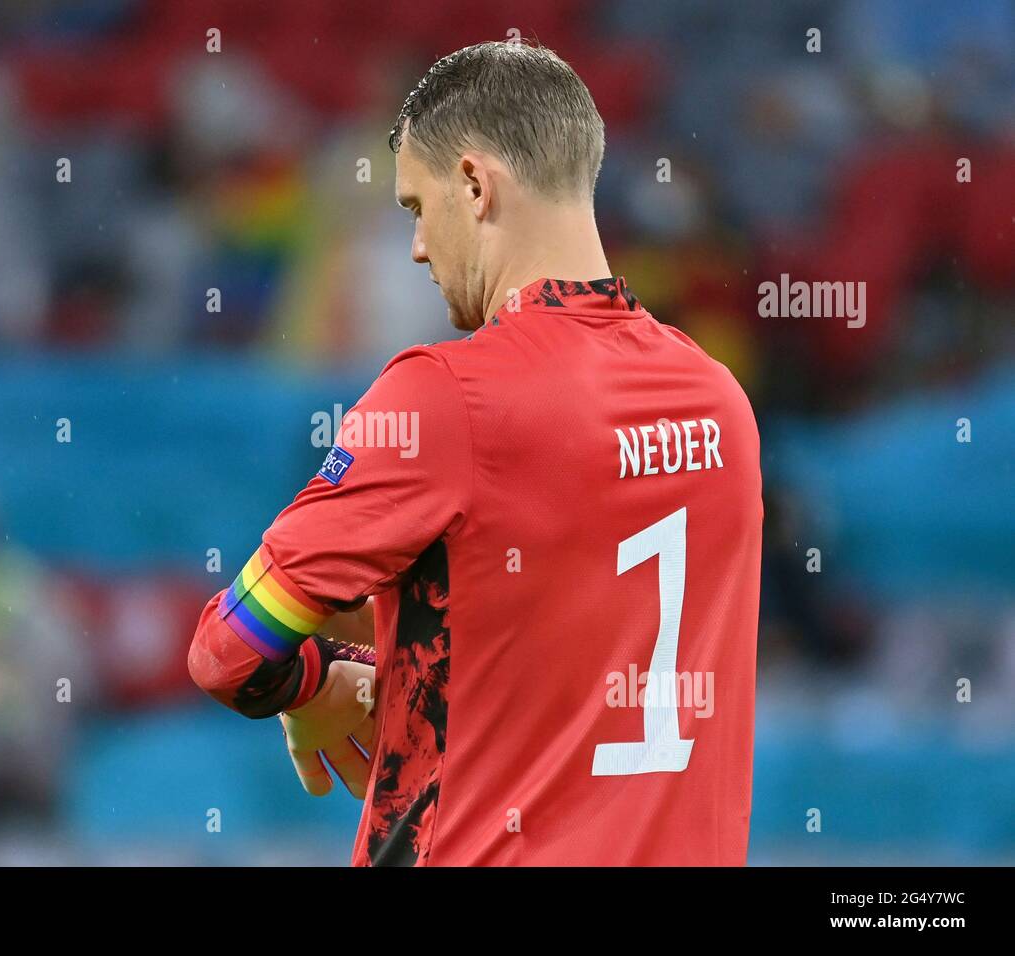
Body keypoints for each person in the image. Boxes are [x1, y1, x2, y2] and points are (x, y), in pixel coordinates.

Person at [188, 39, 762, 866]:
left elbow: (229, 650)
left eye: (417, 209)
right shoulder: (719, 404)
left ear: (474, 184)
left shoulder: (445, 401)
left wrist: (316, 684)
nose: (418, 248)